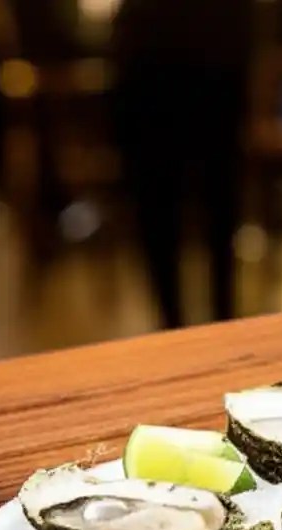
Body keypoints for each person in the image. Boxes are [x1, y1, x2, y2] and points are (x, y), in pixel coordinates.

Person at [110, 0, 253, 328]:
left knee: (163, 207)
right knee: (210, 203)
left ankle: (181, 323)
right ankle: (213, 320)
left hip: (164, 61)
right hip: (208, 59)